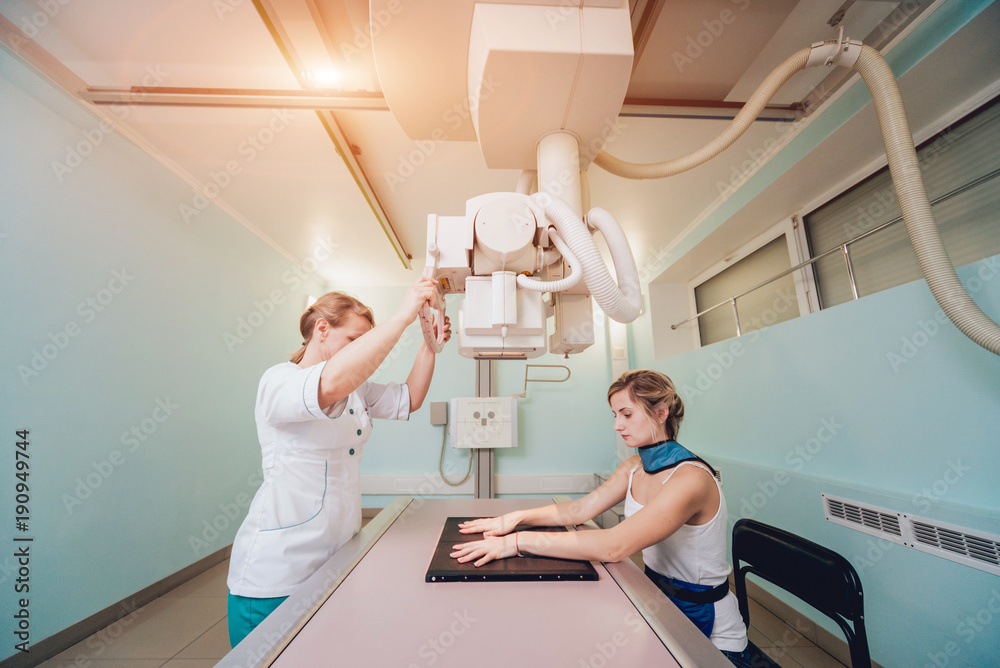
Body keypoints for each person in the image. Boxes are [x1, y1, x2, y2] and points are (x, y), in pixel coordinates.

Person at [450, 369, 760, 667]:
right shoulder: (636, 466)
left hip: (712, 637)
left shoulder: (691, 479)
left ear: (661, 412)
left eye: (626, 414)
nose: (617, 425)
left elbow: (614, 546)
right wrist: (513, 519)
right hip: (658, 604)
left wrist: (516, 543)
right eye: (615, 416)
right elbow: (579, 510)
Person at [227, 277, 449, 647]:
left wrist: (429, 345)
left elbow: (408, 399)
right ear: (322, 330)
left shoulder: (354, 388)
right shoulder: (280, 381)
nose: (360, 349)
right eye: (353, 340)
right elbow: (327, 385)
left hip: (335, 561)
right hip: (280, 571)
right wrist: (403, 317)